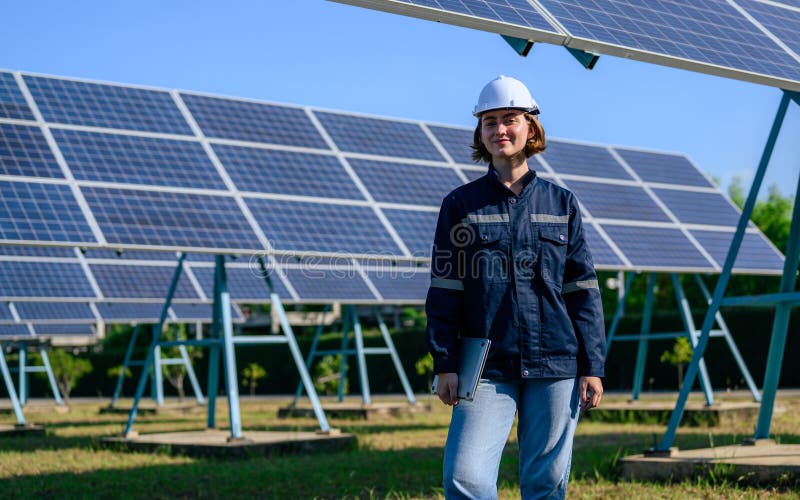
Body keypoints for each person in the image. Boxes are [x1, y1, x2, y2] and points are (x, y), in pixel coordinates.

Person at [426, 75, 606, 499]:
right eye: (489, 122)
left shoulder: (562, 204)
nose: (499, 130)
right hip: (486, 365)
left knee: (546, 483)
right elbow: (445, 289)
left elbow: (582, 290)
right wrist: (445, 362)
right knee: (465, 477)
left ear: (531, 128)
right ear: (480, 133)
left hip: (557, 363)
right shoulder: (459, 204)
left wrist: (592, 364)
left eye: (509, 120)